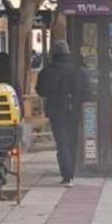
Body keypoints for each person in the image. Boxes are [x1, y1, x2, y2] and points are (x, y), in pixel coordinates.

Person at [35, 41, 89, 187]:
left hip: (56, 112)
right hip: (74, 111)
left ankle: (67, 175)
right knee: (73, 141)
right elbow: (87, 92)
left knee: (62, 142)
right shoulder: (78, 70)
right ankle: (71, 172)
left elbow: (40, 90)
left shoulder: (48, 71)